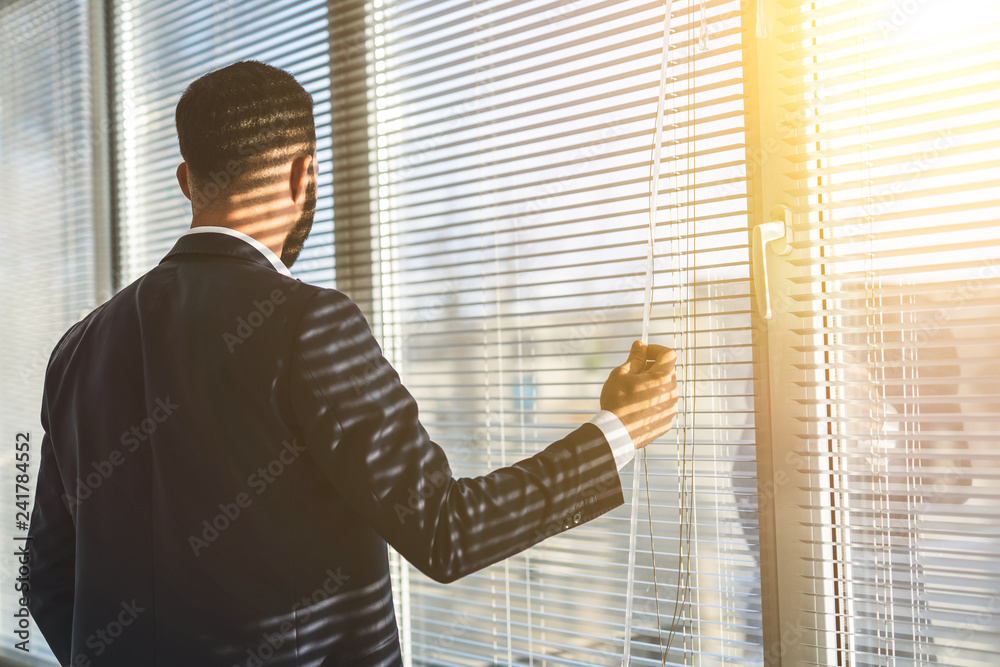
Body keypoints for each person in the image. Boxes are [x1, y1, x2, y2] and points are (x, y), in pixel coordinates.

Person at [27, 60, 678, 666]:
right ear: (303, 174)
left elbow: (48, 578)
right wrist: (620, 428)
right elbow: (446, 531)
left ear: (186, 180)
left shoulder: (78, 347)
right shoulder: (306, 322)